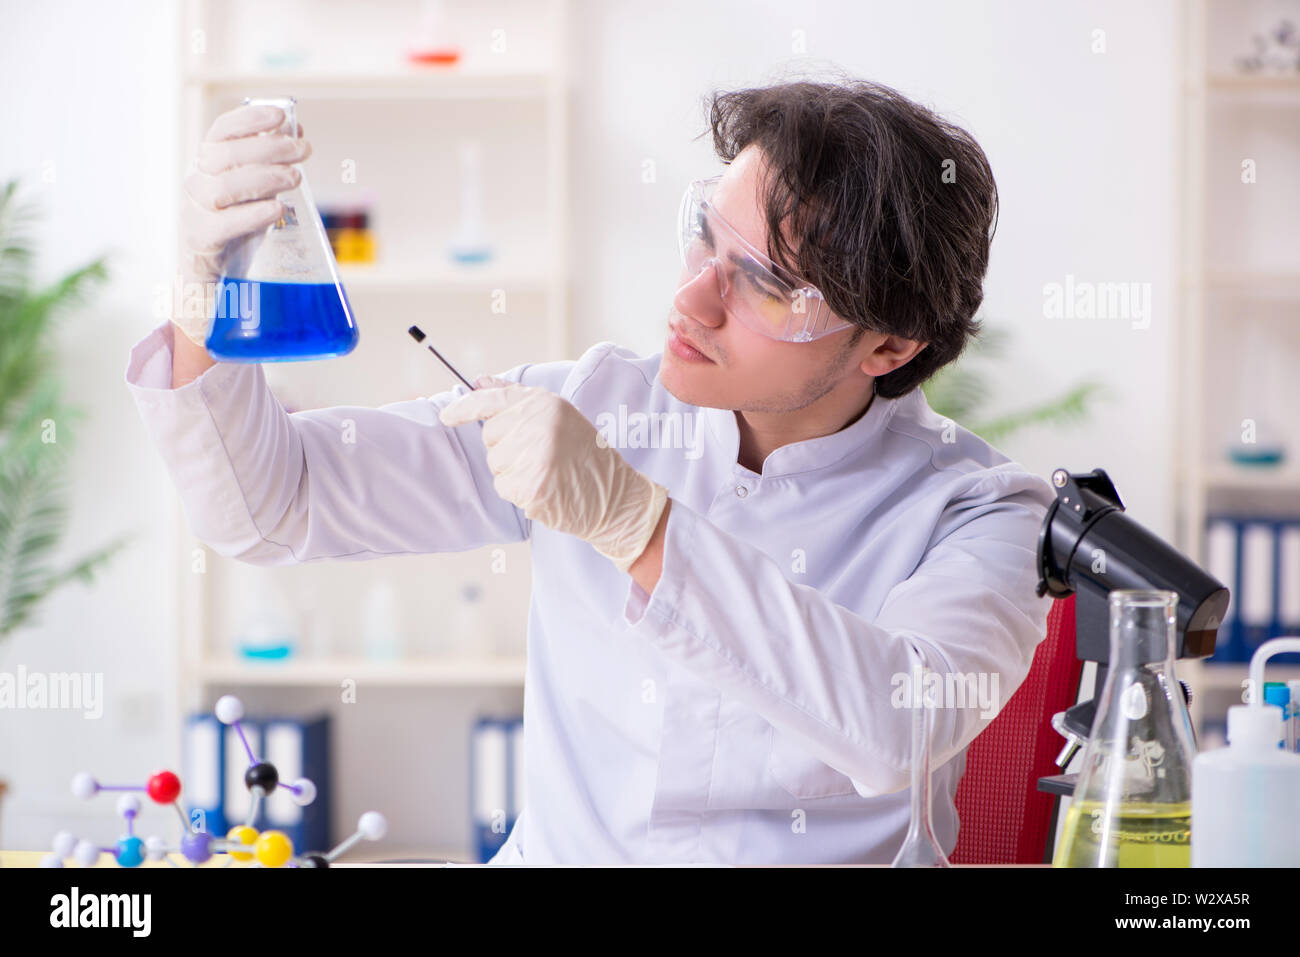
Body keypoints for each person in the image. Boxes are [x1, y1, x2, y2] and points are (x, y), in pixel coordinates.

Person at [127, 77, 1056, 865]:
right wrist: (204, 298)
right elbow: (276, 507)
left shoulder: (981, 511)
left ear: (889, 345)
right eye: (704, 235)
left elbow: (898, 724)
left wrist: (637, 525)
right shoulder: (593, 407)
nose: (693, 296)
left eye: (766, 283)